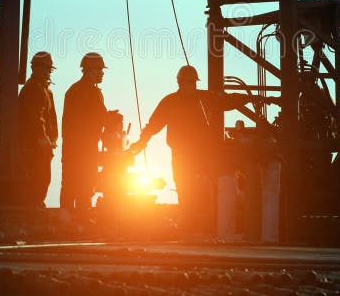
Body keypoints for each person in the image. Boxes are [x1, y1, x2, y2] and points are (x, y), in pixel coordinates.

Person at [128, 65, 277, 235]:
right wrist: (140, 144)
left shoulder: (203, 98)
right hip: (181, 156)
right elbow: (153, 126)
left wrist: (250, 98)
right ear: (180, 83)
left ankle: (205, 229)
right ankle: (189, 230)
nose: (191, 86)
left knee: (203, 191)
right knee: (185, 191)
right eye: (187, 82)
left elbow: (226, 100)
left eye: (193, 83)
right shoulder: (170, 102)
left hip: (201, 155)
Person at [60, 52, 121, 221]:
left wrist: (107, 117)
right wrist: (111, 119)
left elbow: (88, 117)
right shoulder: (90, 92)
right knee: (84, 183)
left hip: (73, 148)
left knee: (71, 184)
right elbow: (95, 118)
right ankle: (81, 220)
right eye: (99, 70)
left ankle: (66, 221)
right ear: (89, 71)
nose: (102, 73)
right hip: (85, 148)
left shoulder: (73, 90)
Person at [17, 51, 58, 206]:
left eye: (49, 69)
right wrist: (43, 138)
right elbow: (35, 116)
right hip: (34, 145)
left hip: (42, 144)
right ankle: (34, 205)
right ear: (35, 68)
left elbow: (48, 117)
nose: (48, 72)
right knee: (40, 177)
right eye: (45, 68)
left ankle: (35, 203)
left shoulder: (45, 90)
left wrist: (51, 138)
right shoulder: (33, 89)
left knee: (42, 177)